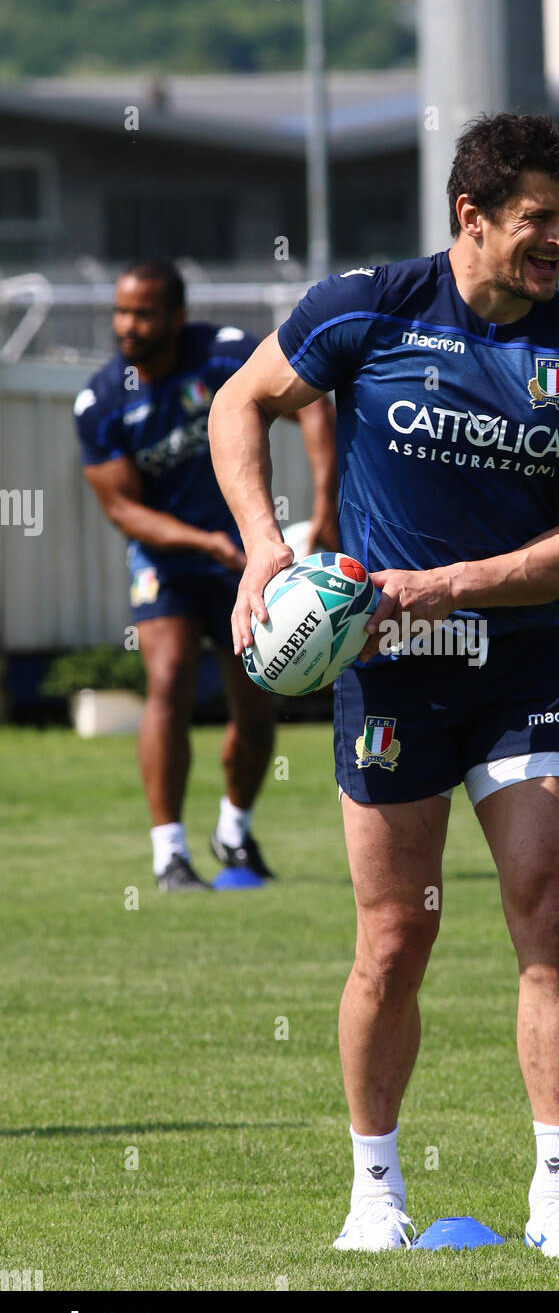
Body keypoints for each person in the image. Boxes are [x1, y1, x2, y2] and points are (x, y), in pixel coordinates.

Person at [209, 114, 559, 1255]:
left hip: (522, 666)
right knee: (395, 938)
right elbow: (238, 403)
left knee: (550, 906)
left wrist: (456, 581)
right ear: (471, 217)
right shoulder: (364, 306)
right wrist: (262, 542)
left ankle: (555, 1200)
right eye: (535, 220)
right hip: (388, 676)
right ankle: (373, 1192)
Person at [75, 259, 338, 891]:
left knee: (256, 700)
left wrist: (326, 507)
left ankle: (234, 833)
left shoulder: (223, 355)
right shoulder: (103, 400)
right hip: (168, 561)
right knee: (167, 679)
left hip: (247, 556)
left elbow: (311, 405)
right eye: (121, 311)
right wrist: (204, 542)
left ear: (177, 316)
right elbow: (123, 509)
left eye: (143, 312)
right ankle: (169, 854)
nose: (127, 325)